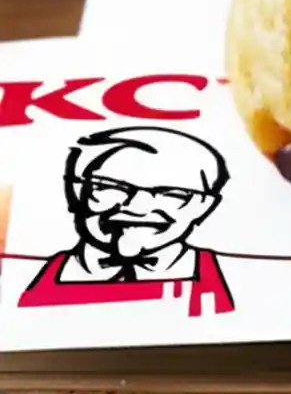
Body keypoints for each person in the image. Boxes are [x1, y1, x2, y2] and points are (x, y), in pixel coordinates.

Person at [18, 126, 235, 316]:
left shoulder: (235, 271)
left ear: (204, 206)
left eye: (173, 194)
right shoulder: (25, 268)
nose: (138, 208)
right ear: (74, 191)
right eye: (108, 187)